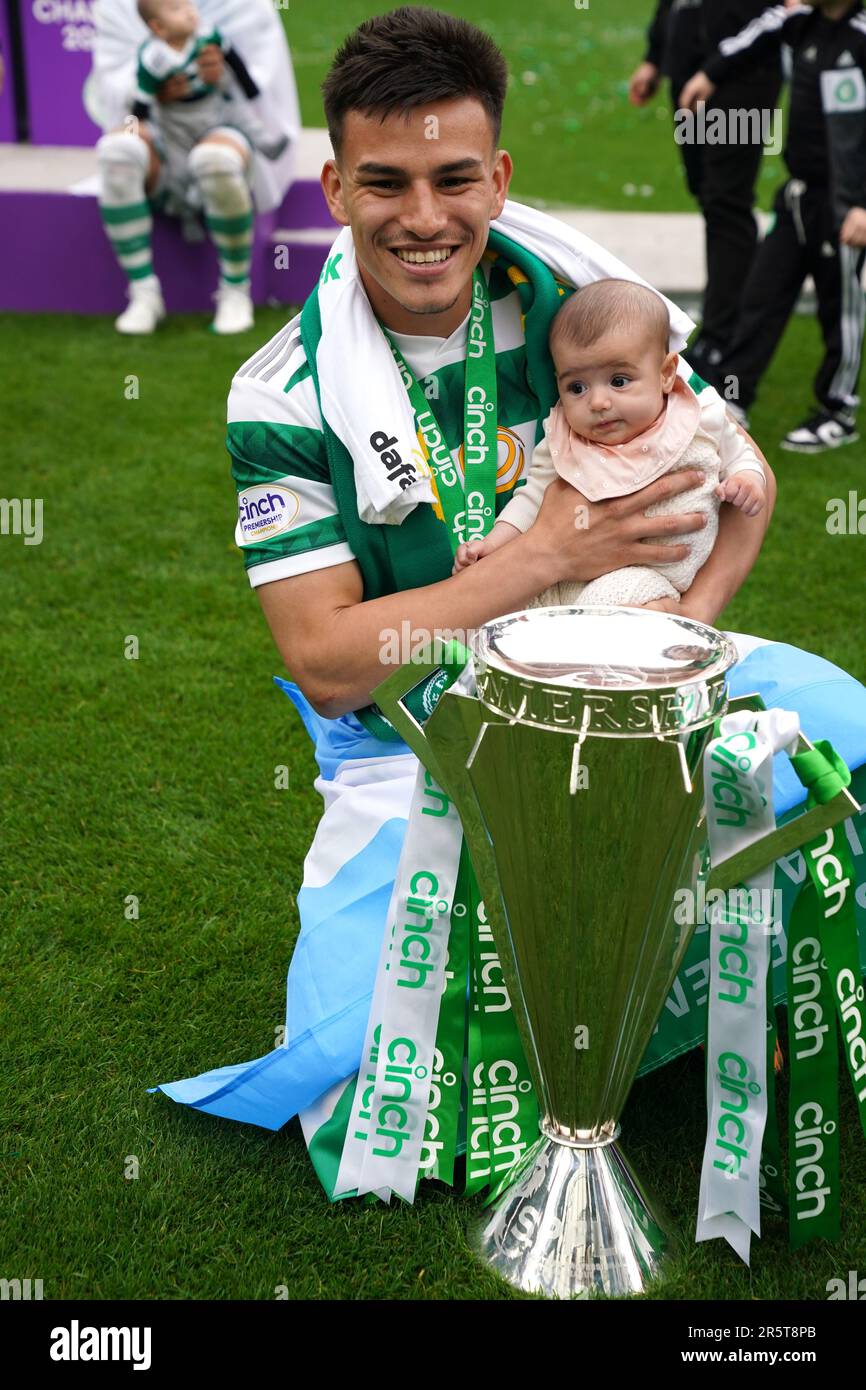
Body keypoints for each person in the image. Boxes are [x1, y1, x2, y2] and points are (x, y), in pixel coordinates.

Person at [148, 9, 866, 1211]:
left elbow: (736, 477)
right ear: (332, 184)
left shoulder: (584, 299)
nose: (422, 219)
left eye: (452, 179)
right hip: (424, 734)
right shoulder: (278, 391)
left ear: (500, 176)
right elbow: (330, 663)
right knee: (357, 1079)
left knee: (847, 738)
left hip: (637, 653)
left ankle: (705, 980)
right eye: (383, 182)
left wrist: (689, 624)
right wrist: (543, 554)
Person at [452, 277, 765, 609]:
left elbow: (741, 456)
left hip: (651, 572)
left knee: (616, 608)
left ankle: (659, 630)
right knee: (515, 603)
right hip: (566, 573)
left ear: (666, 373)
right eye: (577, 388)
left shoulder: (699, 415)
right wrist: (493, 543)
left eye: (619, 381)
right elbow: (530, 499)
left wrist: (747, 480)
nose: (598, 402)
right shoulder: (563, 440)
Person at [680, 0, 866, 451]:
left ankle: (837, 409)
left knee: (839, 308)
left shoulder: (860, 38)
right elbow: (752, 37)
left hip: (846, 204)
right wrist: (711, 73)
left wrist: (860, 204)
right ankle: (734, 395)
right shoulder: (799, 23)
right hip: (798, 194)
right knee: (761, 295)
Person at [96, 0, 285, 336]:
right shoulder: (117, 8)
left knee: (214, 160)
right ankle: (143, 292)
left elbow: (261, 73)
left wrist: (219, 75)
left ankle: (235, 289)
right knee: (116, 150)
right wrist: (158, 89)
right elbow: (108, 81)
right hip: (158, 128)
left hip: (222, 120)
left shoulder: (231, 15)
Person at [629, 2, 783, 373]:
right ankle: (735, 305)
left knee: (726, 202)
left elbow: (780, 12)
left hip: (742, 76)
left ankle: (722, 335)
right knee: (707, 193)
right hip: (688, 74)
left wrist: (715, 70)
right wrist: (655, 55)